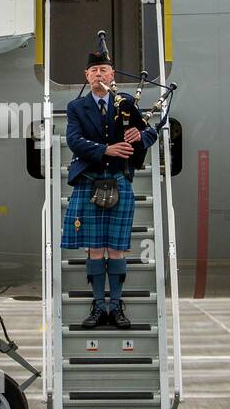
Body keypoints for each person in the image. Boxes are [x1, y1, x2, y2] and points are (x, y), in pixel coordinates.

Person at [60, 50, 159, 328]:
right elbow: (74, 141)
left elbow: (154, 129)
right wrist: (107, 149)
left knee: (116, 248)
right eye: (94, 71)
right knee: (94, 248)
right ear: (87, 76)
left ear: (112, 75)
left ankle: (115, 307)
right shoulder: (76, 107)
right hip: (89, 179)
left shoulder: (125, 102)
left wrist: (140, 135)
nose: (99, 74)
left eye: (104, 70)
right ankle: (97, 306)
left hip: (118, 178)